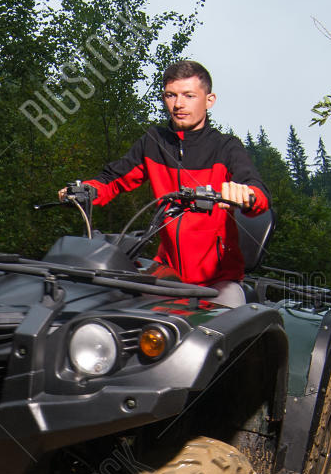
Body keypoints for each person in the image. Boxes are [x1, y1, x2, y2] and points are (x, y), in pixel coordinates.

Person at [61, 60, 268, 306]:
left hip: (218, 280)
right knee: (120, 314)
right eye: (171, 95)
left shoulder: (225, 147)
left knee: (221, 329)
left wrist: (246, 195)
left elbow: (257, 191)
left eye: (189, 95)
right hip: (167, 274)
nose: (178, 104)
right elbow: (112, 179)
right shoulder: (154, 142)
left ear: (209, 100)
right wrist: (85, 191)